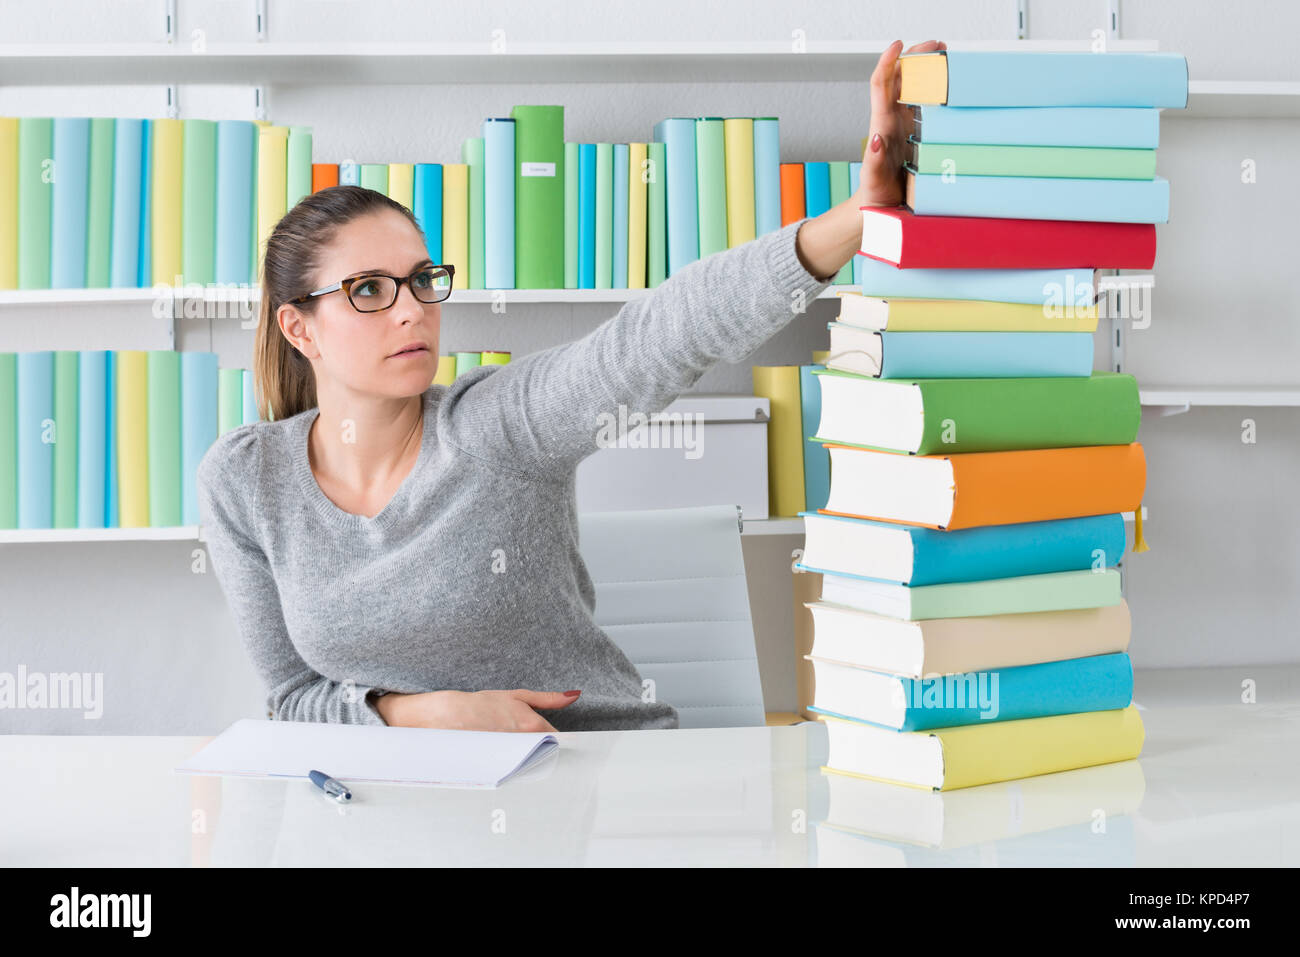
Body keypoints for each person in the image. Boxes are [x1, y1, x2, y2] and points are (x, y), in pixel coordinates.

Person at [197, 39, 945, 732]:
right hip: (403, 796)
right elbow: (294, 698)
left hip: (594, 777)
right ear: (299, 328)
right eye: (368, 290)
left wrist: (852, 221)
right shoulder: (245, 480)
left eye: (423, 281)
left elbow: (658, 335)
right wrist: (429, 713)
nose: (411, 310)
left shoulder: (496, 426)